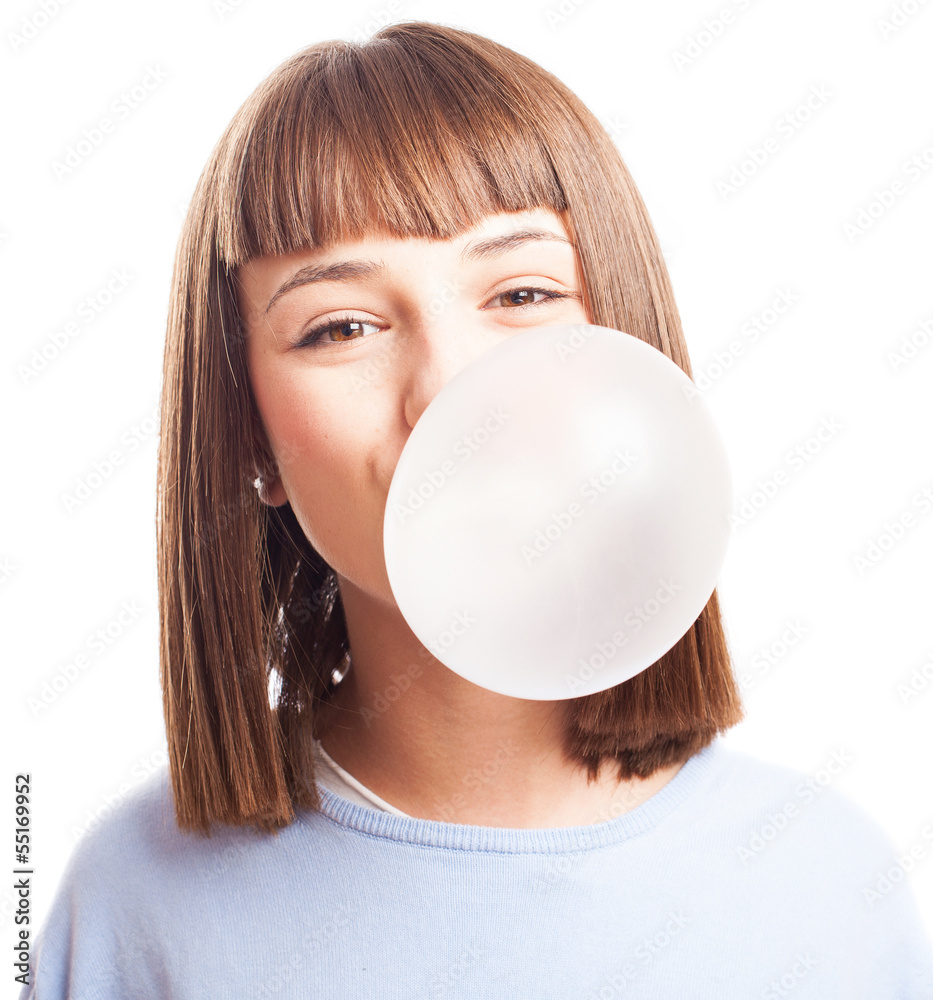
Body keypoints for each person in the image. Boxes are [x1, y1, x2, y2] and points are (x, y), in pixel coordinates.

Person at [21, 20, 933, 998]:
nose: (449, 387)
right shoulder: (133, 906)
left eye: (522, 291)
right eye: (341, 325)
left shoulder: (828, 887)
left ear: (627, 351)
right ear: (251, 437)